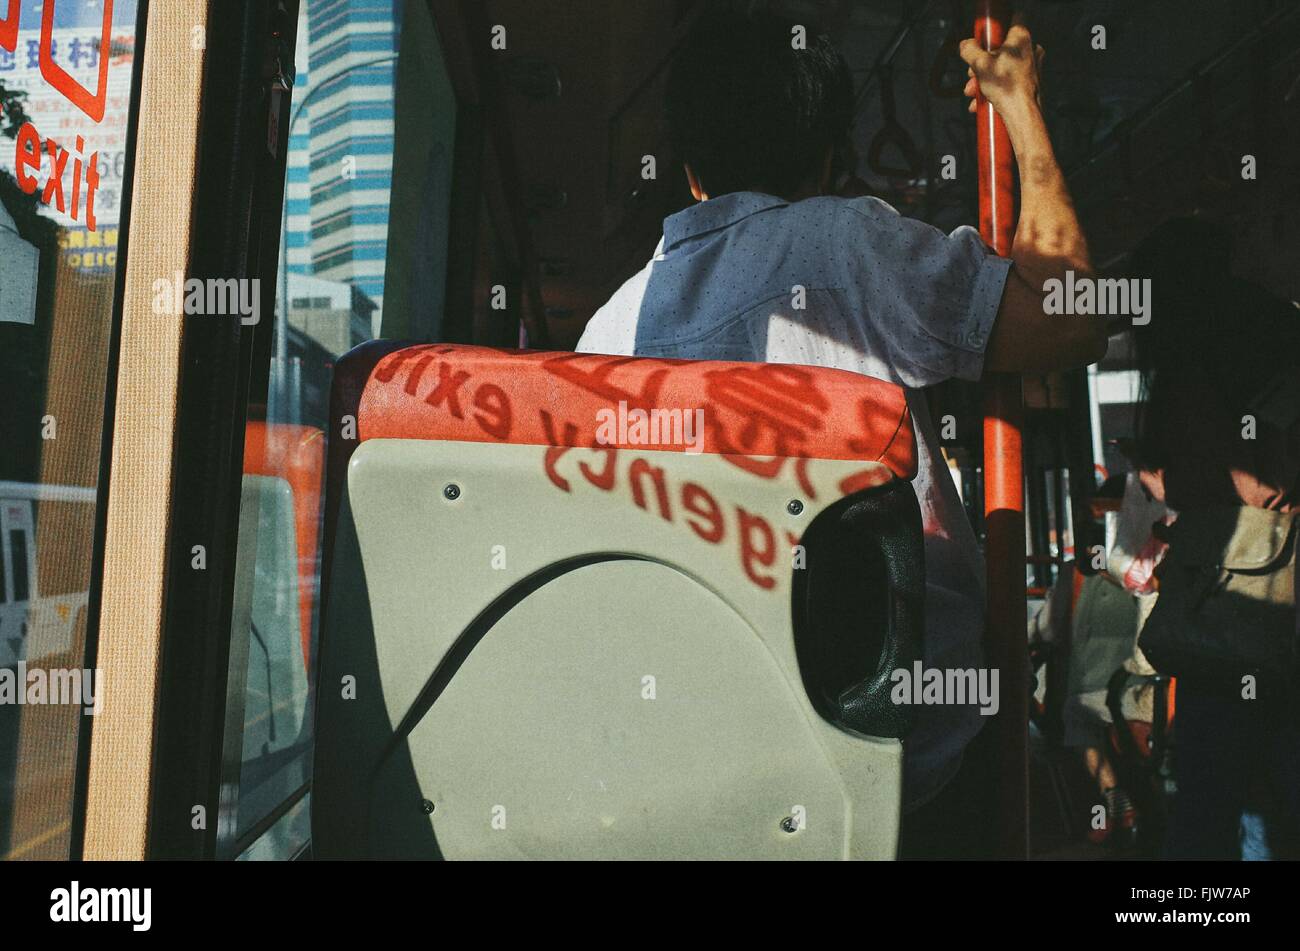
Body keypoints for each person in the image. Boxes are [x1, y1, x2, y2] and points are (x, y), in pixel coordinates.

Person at [576, 7, 1107, 855]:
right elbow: (1070, 318)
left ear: (689, 171)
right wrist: (1020, 107)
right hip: (902, 771)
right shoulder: (843, 244)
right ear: (828, 156)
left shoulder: (606, 334)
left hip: (697, 775)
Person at [1129, 218, 1300, 860]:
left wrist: (1162, 476)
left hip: (1229, 597)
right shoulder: (1270, 332)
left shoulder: (1192, 351)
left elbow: (1252, 482)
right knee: (1273, 785)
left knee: (1212, 790)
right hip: (1275, 602)